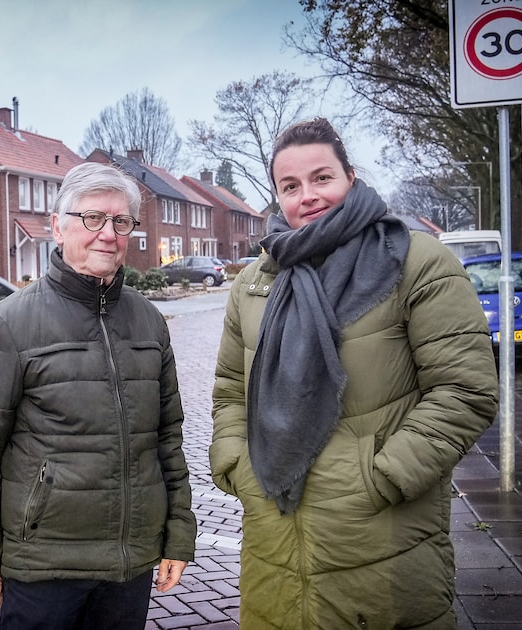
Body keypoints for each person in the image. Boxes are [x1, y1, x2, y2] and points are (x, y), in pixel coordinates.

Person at [210, 117, 499, 629]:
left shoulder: (416, 262)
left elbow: (464, 390)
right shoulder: (255, 280)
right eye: (290, 186)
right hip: (273, 527)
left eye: (322, 177)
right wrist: (238, 463)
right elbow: (232, 390)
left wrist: (381, 476)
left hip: (380, 532)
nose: (308, 196)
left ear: (350, 176)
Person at [0, 161, 198, 629]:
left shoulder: (148, 323)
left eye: (121, 221)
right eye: (93, 218)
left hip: (129, 565)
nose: (108, 233)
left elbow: (168, 439)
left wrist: (178, 534)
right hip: (45, 568)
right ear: (58, 228)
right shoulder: (6, 325)